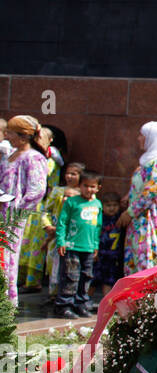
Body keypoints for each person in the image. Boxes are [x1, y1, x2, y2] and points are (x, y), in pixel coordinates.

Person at [0, 115, 49, 304]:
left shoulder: (33, 158)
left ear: (23, 136)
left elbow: (36, 190)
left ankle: (6, 304)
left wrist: (16, 209)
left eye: (10, 132)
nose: (6, 135)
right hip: (2, 210)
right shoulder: (9, 154)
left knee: (7, 256)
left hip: (11, 216)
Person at [119, 121, 157, 274]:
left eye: (143, 135)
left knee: (147, 265)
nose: (139, 138)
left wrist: (129, 212)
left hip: (149, 222)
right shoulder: (148, 162)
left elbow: (151, 191)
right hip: (140, 222)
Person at [17, 126, 61, 293]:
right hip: (28, 204)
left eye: (41, 136)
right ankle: (20, 278)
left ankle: (33, 281)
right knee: (24, 242)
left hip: (42, 205)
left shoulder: (49, 159)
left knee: (36, 244)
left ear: (50, 140)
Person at [54, 169, 101, 319]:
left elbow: (97, 227)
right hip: (72, 246)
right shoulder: (72, 202)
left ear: (98, 188)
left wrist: (95, 245)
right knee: (70, 276)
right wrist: (61, 241)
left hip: (88, 248)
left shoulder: (97, 204)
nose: (89, 189)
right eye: (85, 186)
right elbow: (62, 222)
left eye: (92, 186)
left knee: (85, 276)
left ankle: (80, 304)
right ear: (80, 186)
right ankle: (64, 305)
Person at [90, 190, 126, 300]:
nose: (111, 208)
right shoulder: (99, 218)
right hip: (99, 255)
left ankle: (107, 303)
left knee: (109, 281)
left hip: (113, 257)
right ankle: (85, 301)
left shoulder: (120, 218)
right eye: (108, 205)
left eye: (115, 205)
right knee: (93, 280)